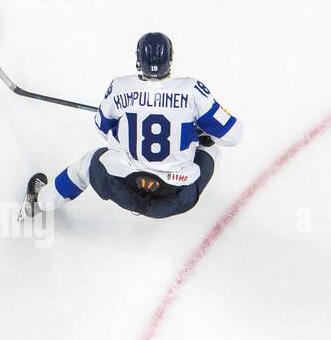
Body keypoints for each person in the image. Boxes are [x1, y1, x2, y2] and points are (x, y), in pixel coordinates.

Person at [20, 32, 243, 221]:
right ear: (171, 60)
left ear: (138, 59)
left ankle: (37, 204)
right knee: (211, 147)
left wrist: (124, 133)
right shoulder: (192, 91)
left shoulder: (120, 88)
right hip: (176, 197)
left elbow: (101, 128)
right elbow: (233, 135)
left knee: (87, 164)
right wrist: (199, 132)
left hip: (125, 187)